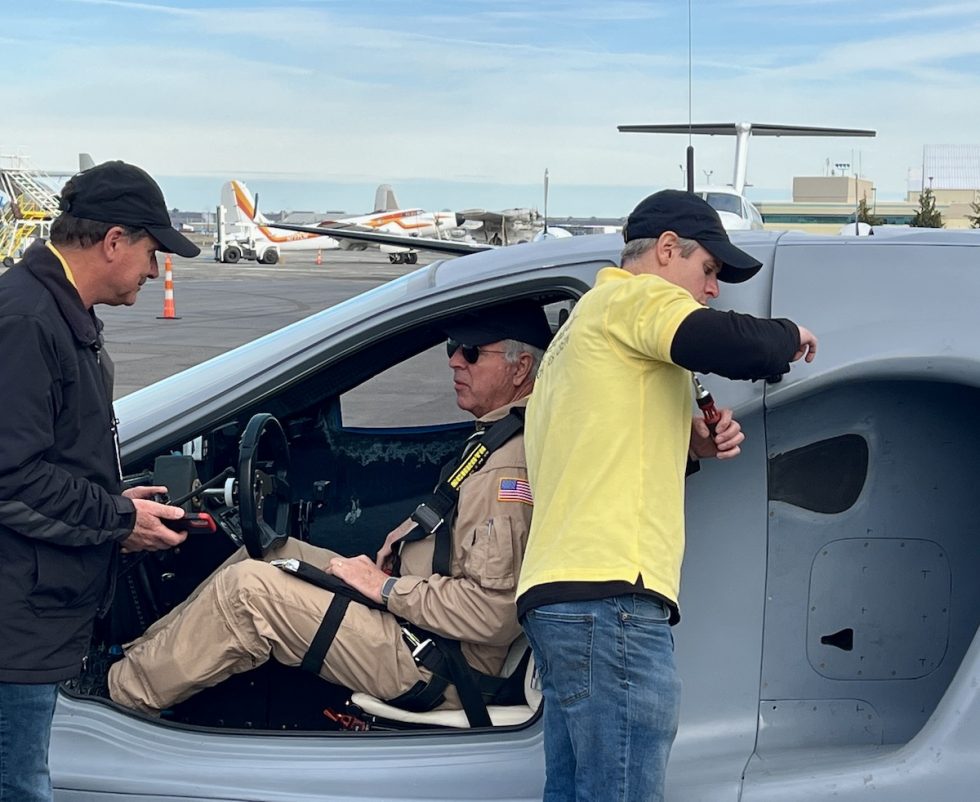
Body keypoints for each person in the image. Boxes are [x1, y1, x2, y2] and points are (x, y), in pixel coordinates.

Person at [108, 301, 553, 723]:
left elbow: (492, 613)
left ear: (520, 368)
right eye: (452, 349)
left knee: (248, 595)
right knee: (265, 552)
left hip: (444, 662)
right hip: (423, 624)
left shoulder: (508, 469)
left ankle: (116, 701)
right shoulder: (497, 435)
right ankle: (134, 661)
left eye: (471, 353)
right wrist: (397, 556)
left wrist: (388, 589)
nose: (455, 361)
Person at [517, 189, 819, 802]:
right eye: (709, 270)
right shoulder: (634, 296)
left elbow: (601, 454)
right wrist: (789, 337)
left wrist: (693, 447)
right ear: (666, 249)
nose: (712, 290)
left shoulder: (581, 331)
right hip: (612, 602)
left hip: (561, 601)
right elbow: (731, 343)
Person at [0, 161, 202, 802]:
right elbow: (11, 478)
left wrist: (117, 507)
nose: (153, 270)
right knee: (19, 783)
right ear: (114, 241)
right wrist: (117, 520)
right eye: (150, 251)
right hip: (16, 622)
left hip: (38, 608)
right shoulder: (28, 322)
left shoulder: (55, 314)